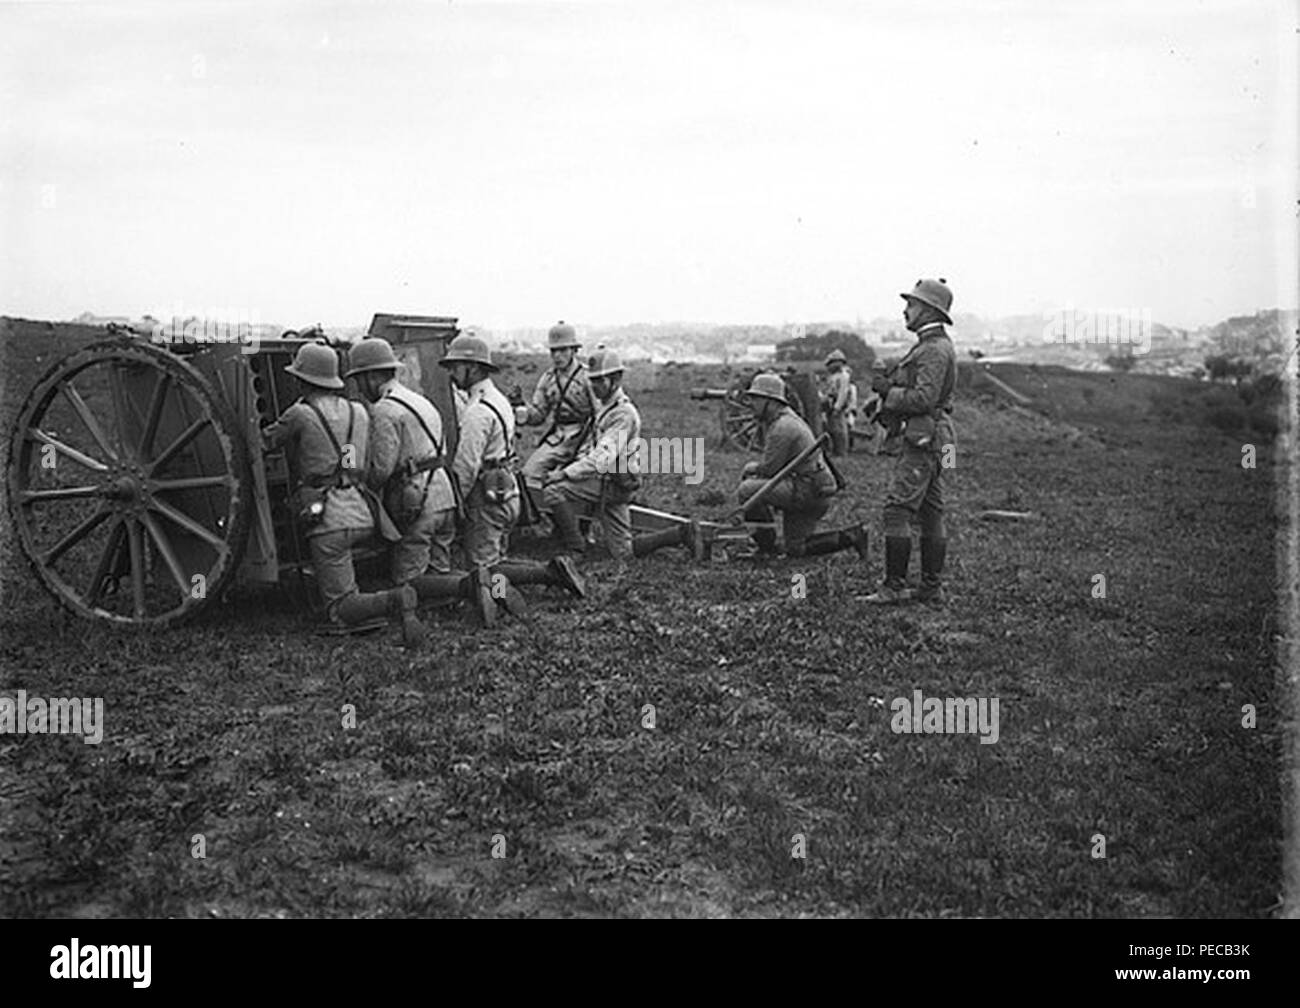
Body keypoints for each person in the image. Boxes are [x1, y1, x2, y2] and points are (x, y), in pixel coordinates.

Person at [262, 342, 425, 647]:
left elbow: (265, 442)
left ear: (302, 380)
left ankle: (397, 599)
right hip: (362, 512)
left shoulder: (300, 413)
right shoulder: (359, 411)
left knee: (340, 608)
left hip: (329, 520)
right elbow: (350, 459)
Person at [861, 278, 958, 605]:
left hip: (924, 437)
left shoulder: (932, 349)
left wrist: (888, 392)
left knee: (897, 510)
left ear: (929, 310)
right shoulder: (932, 346)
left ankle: (893, 586)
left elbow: (924, 398)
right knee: (931, 512)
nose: (905, 310)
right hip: (933, 436)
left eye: (912, 305)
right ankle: (930, 587)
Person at [735, 372, 868, 558]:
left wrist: (752, 467)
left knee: (747, 490)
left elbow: (769, 470)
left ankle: (766, 549)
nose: (752, 405)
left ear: (770, 402)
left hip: (806, 490)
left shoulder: (782, 428)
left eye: (756, 400)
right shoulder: (786, 420)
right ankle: (854, 536)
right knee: (796, 548)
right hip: (814, 489)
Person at [542, 348, 641, 563]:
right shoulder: (607, 406)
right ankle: (679, 535)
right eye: (592, 381)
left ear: (615, 379)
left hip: (613, 483)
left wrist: (566, 474)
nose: (594, 387)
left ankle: (577, 549)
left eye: (600, 381)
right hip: (609, 480)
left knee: (553, 491)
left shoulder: (622, 414)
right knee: (623, 552)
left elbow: (601, 458)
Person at [516, 321, 595, 494]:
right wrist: (522, 412)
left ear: (574, 350)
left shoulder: (588, 377)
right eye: (554, 351)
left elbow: (601, 414)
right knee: (529, 474)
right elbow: (539, 414)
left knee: (580, 479)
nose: (558, 356)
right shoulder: (548, 379)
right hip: (559, 438)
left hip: (587, 437)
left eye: (563, 350)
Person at [823, 349, 853, 457]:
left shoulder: (844, 376)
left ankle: (841, 451)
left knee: (840, 429)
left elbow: (842, 393)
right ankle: (836, 450)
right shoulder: (833, 376)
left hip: (837, 406)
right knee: (832, 429)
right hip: (831, 405)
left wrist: (837, 407)